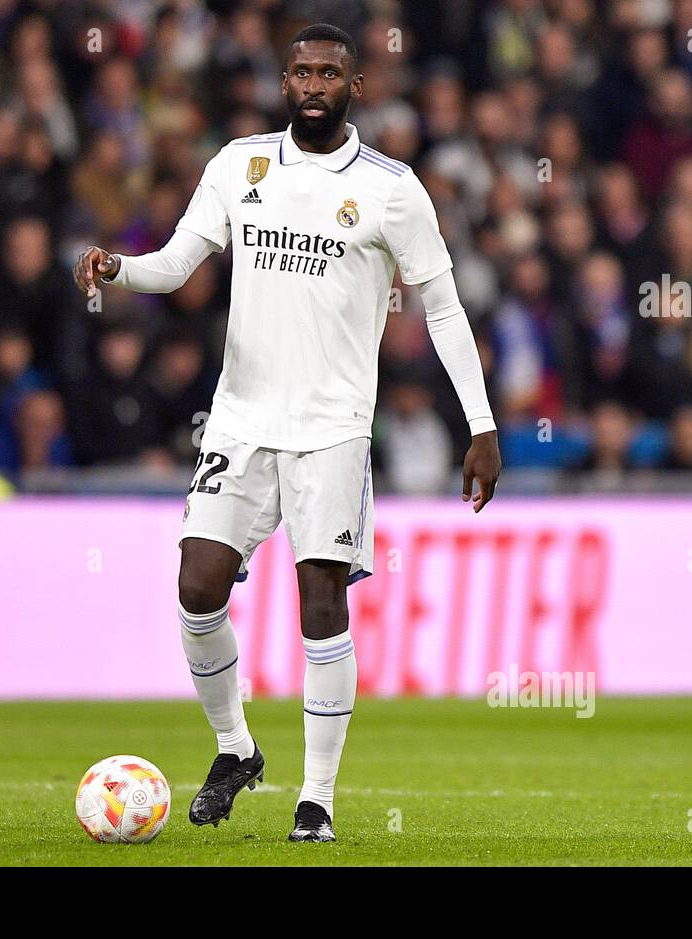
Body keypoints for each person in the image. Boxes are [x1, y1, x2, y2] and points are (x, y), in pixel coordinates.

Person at [72, 24, 501, 843]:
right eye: (301, 71)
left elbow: (442, 308)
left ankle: (318, 799)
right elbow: (174, 262)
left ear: (355, 87)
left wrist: (480, 424)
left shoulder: (392, 188)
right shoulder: (240, 165)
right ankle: (235, 749)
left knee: (319, 600)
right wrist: (118, 266)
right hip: (240, 416)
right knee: (198, 584)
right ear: (283, 82)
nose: (313, 84)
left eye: (329, 73)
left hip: (333, 426)